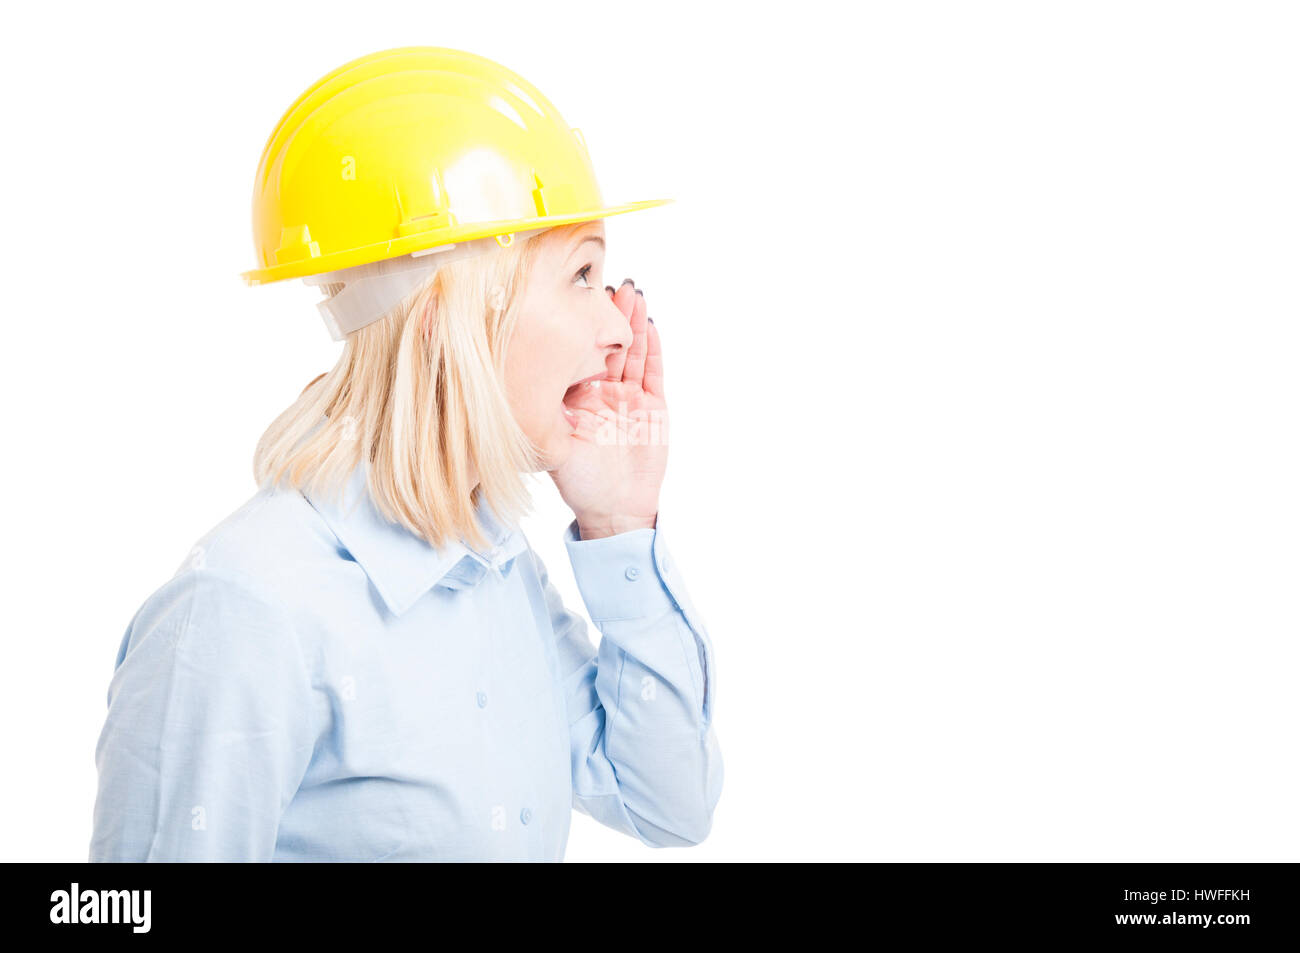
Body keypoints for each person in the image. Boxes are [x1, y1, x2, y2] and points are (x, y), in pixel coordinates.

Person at [88, 47, 722, 862]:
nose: (615, 324)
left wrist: (619, 522)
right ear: (448, 322)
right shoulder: (244, 606)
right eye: (582, 274)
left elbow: (669, 805)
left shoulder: (493, 562)